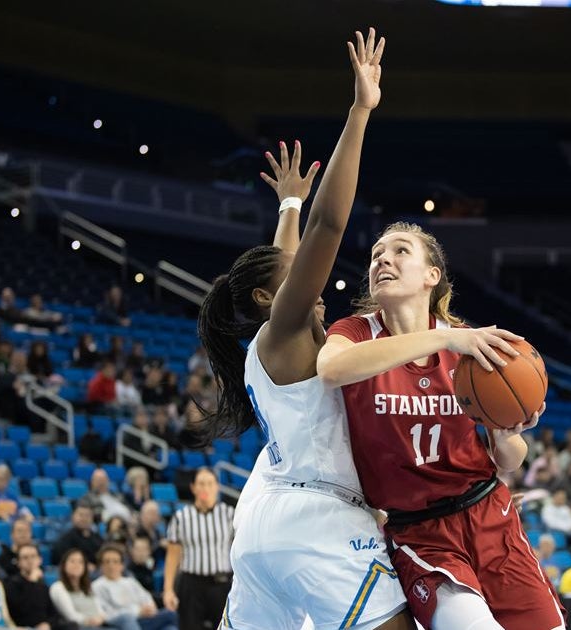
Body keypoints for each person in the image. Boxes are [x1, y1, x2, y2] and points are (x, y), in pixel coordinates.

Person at [184, 27, 411, 630]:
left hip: (264, 525)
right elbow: (330, 225)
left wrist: (288, 206)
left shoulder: (273, 338)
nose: (316, 287)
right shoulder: (282, 329)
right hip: (318, 521)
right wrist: (360, 112)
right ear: (268, 297)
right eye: (297, 281)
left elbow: (288, 258)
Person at [318, 236, 563, 625]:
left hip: (489, 514)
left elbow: (510, 461)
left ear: (432, 275)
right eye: (376, 255)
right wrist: (446, 336)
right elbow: (331, 370)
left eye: (400, 251)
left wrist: (504, 433)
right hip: (420, 533)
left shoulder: (468, 344)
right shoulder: (357, 331)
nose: (384, 259)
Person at [161, 470, 236, 630]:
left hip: (221, 584)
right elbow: (172, 556)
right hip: (191, 584)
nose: (205, 488)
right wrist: (168, 590)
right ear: (193, 487)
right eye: (201, 484)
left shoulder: (229, 514)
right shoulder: (181, 518)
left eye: (210, 484)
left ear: (217, 487)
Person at [49, 549, 138, 630]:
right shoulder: (58, 587)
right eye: (72, 561)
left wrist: (101, 617)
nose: (76, 565)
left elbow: (99, 608)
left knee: (127, 618)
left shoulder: (88, 587)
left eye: (80, 562)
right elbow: (70, 615)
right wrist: (89, 620)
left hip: (99, 622)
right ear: (64, 565)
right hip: (81, 626)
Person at [92, 545, 177, 630]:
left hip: (145, 620)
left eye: (115, 561)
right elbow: (106, 614)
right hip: (124, 623)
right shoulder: (97, 586)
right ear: (101, 566)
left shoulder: (130, 582)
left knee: (170, 626)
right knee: (170, 615)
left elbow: (146, 598)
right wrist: (138, 612)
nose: (111, 565)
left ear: (122, 565)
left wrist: (150, 608)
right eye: (107, 562)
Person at [3, 544, 57, 630]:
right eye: (25, 557)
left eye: (33, 556)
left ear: (40, 560)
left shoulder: (43, 585)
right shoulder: (11, 584)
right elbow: (21, 612)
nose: (30, 560)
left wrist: (48, 624)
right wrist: (31, 582)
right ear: (18, 562)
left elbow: (53, 614)